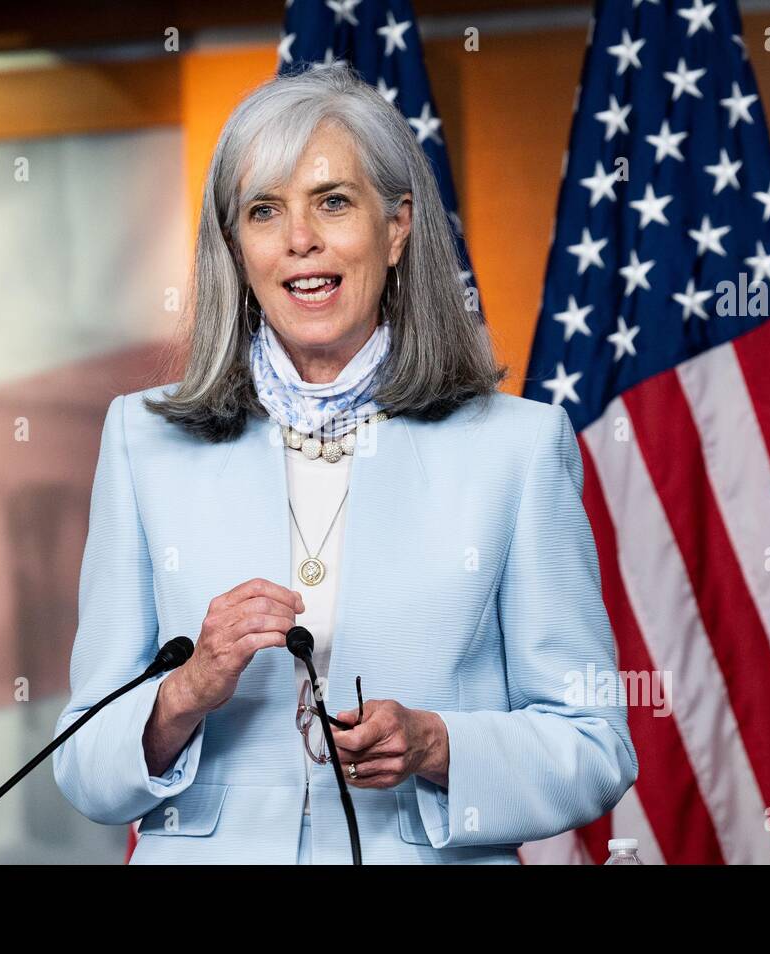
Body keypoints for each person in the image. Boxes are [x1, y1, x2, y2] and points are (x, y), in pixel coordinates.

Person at [52, 63, 637, 864]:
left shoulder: (519, 448)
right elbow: (85, 769)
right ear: (236, 246)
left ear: (397, 228)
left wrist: (437, 744)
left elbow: (595, 747)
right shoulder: (141, 442)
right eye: (265, 211)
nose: (301, 241)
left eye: (333, 202)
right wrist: (185, 694)